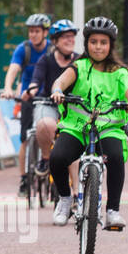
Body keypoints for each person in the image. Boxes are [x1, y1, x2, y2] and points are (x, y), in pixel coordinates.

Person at [47, 17, 128, 227]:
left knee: (115, 157)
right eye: (93, 42)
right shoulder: (78, 66)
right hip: (77, 127)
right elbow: (59, 82)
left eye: (103, 42)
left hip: (108, 127)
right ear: (87, 44)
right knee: (57, 158)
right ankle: (65, 199)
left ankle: (113, 210)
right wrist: (58, 91)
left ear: (110, 45)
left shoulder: (119, 72)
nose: (98, 47)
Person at [1, 13, 51, 195]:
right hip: (28, 97)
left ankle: (54, 174)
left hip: (50, 98)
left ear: (45, 32)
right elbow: (13, 69)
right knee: (25, 139)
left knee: (55, 135)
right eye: (30, 31)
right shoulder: (24, 49)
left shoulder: (52, 50)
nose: (33, 35)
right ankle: (24, 179)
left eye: (37, 31)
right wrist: (8, 88)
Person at [27, 19, 80, 172]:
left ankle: (77, 191)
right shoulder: (46, 60)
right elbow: (36, 80)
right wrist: (31, 90)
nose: (70, 40)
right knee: (45, 124)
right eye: (65, 37)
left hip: (73, 107)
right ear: (55, 41)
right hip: (48, 103)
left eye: (72, 36)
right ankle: (45, 158)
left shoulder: (79, 60)